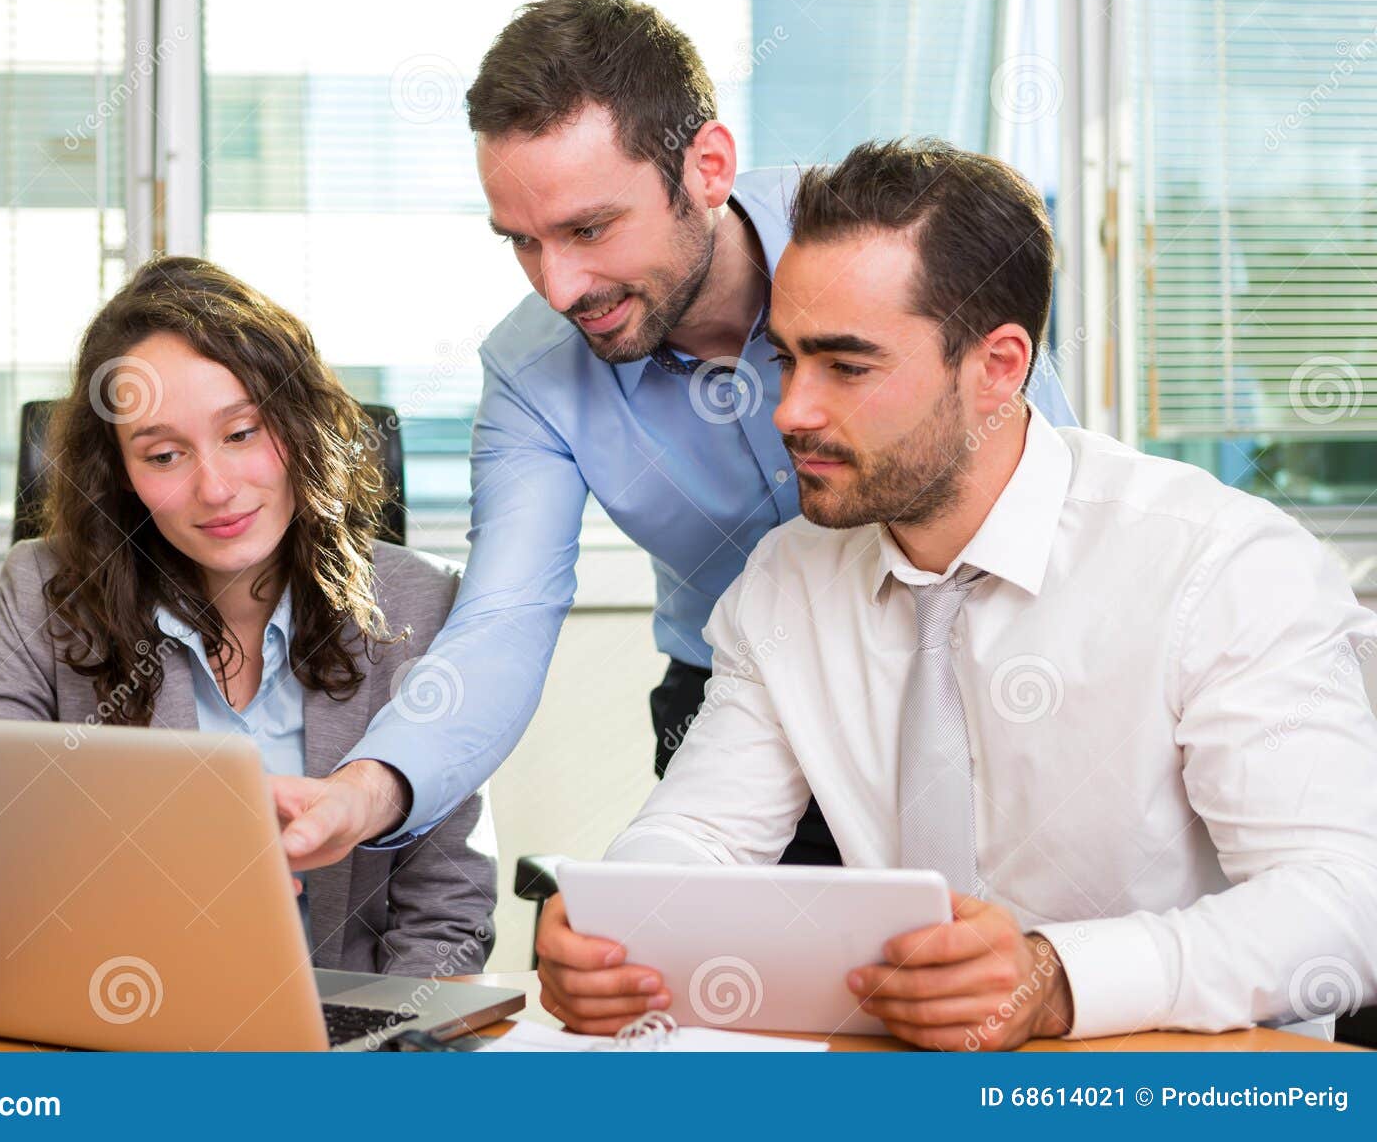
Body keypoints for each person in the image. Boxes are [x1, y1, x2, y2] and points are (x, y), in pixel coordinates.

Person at [532, 140, 1377, 1049]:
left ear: (1000, 367)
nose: (789, 410)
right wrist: (619, 926)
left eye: (847, 367)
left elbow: (1346, 897)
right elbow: (697, 833)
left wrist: (1059, 977)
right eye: (784, 359)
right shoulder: (789, 579)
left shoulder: (1219, 565)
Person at [286, 0, 1080, 870]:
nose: (559, 288)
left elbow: (1043, 493)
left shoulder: (881, 253)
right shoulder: (531, 367)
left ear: (707, 167)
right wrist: (368, 786)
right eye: (522, 241)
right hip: (736, 702)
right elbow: (504, 618)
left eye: (590, 228)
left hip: (977, 672)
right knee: (719, 970)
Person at [0, 257, 495, 1052]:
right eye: (163, 454)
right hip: (105, 1036)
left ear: (297, 426)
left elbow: (449, 906)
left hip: (334, 1052)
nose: (215, 487)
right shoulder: (47, 591)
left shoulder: (421, 604)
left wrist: (397, 1058)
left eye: (242, 432)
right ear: (120, 474)